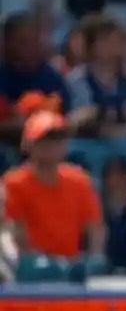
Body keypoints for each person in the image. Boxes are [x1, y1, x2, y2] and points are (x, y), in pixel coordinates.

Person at [2, 111, 104, 260]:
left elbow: (95, 229)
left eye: (58, 139)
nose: (52, 146)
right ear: (28, 145)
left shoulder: (79, 181)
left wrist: (95, 258)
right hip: (30, 267)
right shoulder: (14, 183)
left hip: (71, 267)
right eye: (44, 139)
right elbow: (13, 232)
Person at [65, 13, 126, 140]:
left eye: (114, 40)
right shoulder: (78, 79)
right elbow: (79, 118)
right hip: (92, 143)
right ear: (91, 45)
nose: (111, 45)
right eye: (104, 40)